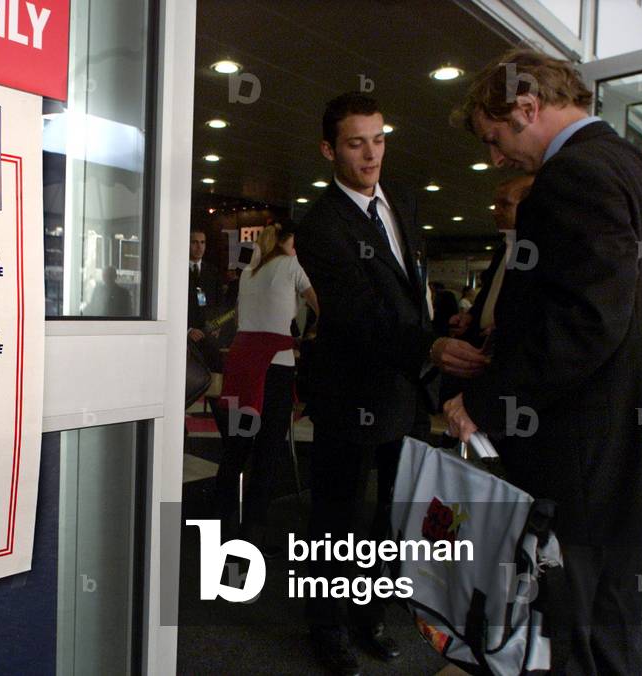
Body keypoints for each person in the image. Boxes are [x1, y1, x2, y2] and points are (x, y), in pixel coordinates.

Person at [444, 47, 642, 675]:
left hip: (580, 457)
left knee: (578, 634)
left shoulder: (572, 175)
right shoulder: (639, 169)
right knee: (610, 626)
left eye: (497, 138)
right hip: (625, 451)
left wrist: (485, 401)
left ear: (528, 105)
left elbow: (587, 320)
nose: (496, 159)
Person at [295, 91, 487, 675]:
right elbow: (356, 315)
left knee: (392, 517)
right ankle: (326, 628)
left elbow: (408, 288)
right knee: (336, 519)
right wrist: (428, 344)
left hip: (403, 391)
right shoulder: (320, 225)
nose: (372, 153)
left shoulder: (401, 199)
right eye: (357, 143)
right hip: (350, 391)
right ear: (330, 149)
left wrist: (440, 327)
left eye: (379, 139)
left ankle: (368, 615)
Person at [215, 222, 318, 554]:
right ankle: (252, 531)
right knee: (267, 452)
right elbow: (321, 306)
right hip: (275, 369)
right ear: (287, 242)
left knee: (236, 447)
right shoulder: (290, 265)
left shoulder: (248, 271)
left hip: (242, 367)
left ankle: (222, 522)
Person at [451, 175, 534, 345]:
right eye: (495, 204)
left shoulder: (529, 248)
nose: (495, 211)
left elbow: (523, 299)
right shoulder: (504, 248)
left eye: (505, 205)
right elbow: (489, 296)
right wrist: (470, 317)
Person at [187, 227, 223, 370]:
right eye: (194, 242)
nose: (199, 247)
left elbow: (219, 302)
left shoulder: (212, 271)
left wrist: (217, 324)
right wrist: (188, 330)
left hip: (208, 333)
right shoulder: (178, 269)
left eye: (202, 242)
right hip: (185, 337)